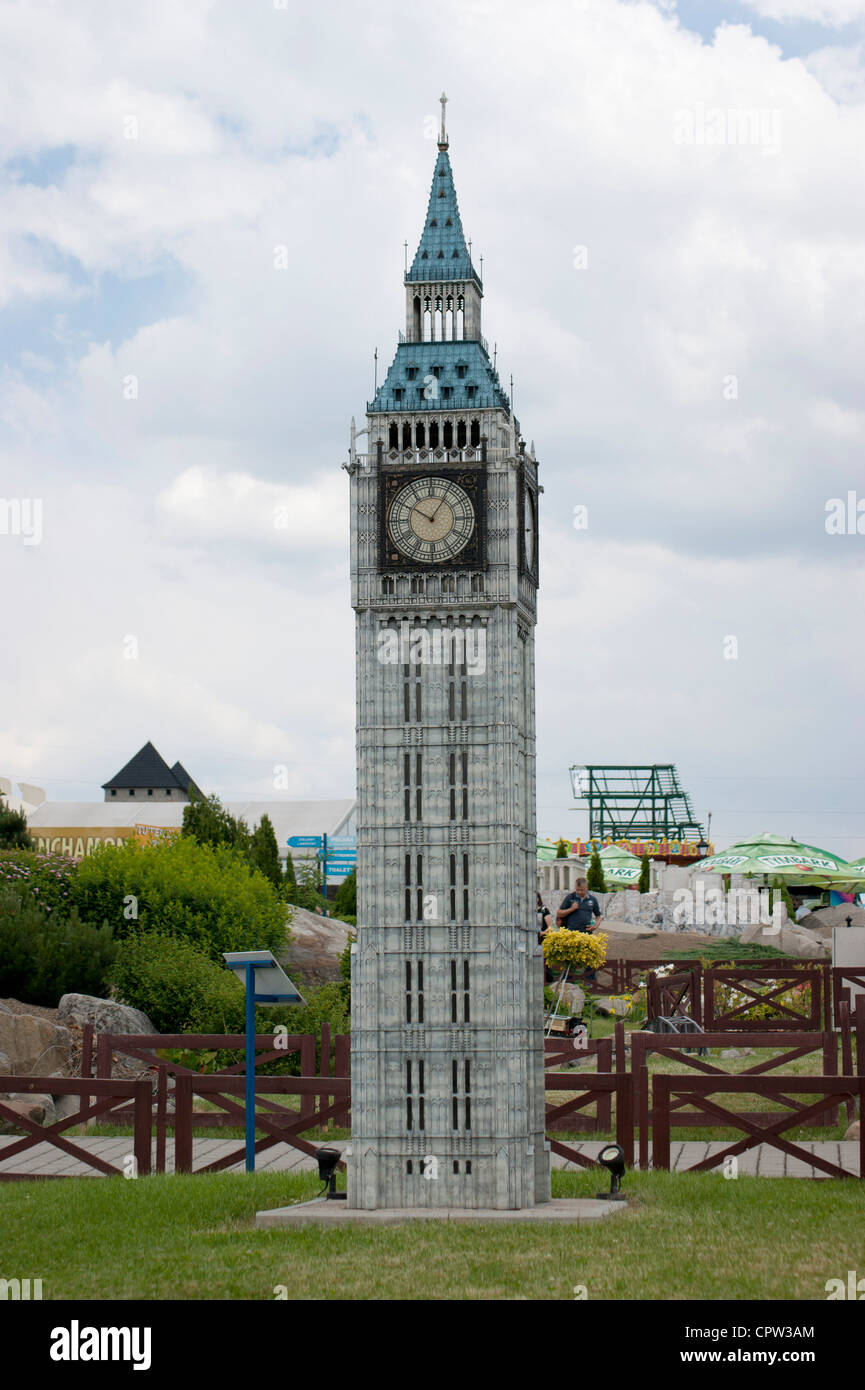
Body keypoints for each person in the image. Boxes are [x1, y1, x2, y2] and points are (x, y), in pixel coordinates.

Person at [556, 876, 602, 981]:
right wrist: (572, 909)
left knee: (591, 956)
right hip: (572, 932)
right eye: (577, 890)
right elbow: (559, 913)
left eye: (582, 890)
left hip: (586, 932)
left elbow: (598, 916)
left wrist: (595, 926)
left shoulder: (592, 900)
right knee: (570, 957)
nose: (579, 892)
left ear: (586, 888)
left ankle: (589, 980)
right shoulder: (570, 898)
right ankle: (568, 980)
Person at [536, 891, 556, 983]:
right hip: (533, 939)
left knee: (544, 961)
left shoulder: (544, 910)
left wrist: (543, 933)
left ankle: (548, 980)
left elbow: (550, 927)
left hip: (542, 938)